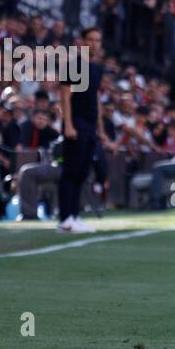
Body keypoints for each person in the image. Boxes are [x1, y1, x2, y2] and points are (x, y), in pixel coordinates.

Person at [56, 26, 103, 233]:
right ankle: (65, 218)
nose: (94, 44)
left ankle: (74, 215)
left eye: (97, 40)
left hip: (90, 125)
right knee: (71, 171)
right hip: (76, 123)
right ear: (81, 41)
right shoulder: (73, 64)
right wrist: (68, 125)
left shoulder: (96, 68)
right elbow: (65, 96)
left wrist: (101, 129)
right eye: (90, 39)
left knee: (82, 172)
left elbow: (96, 99)